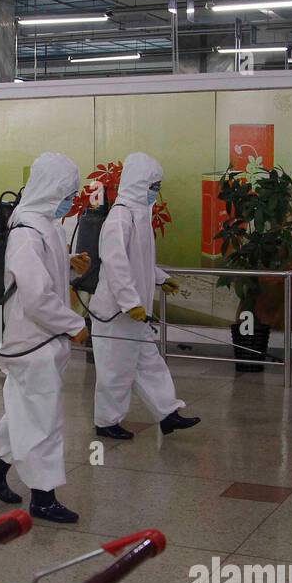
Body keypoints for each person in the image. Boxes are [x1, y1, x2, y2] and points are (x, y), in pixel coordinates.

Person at [0, 152, 89, 524]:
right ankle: (43, 497)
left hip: (34, 337)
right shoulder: (27, 229)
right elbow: (37, 294)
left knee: (24, 408)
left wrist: (70, 266)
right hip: (29, 342)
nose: (72, 200)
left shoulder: (44, 225)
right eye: (68, 193)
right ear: (52, 189)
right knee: (43, 418)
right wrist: (73, 324)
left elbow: (45, 282)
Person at [88, 152, 199, 441]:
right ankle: (106, 421)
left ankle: (168, 413)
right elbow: (115, 265)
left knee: (150, 362)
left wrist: (161, 279)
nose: (156, 192)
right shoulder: (120, 218)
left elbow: (140, 261)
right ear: (139, 183)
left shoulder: (139, 216)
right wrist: (130, 303)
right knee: (115, 369)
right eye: (153, 186)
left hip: (134, 312)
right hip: (115, 313)